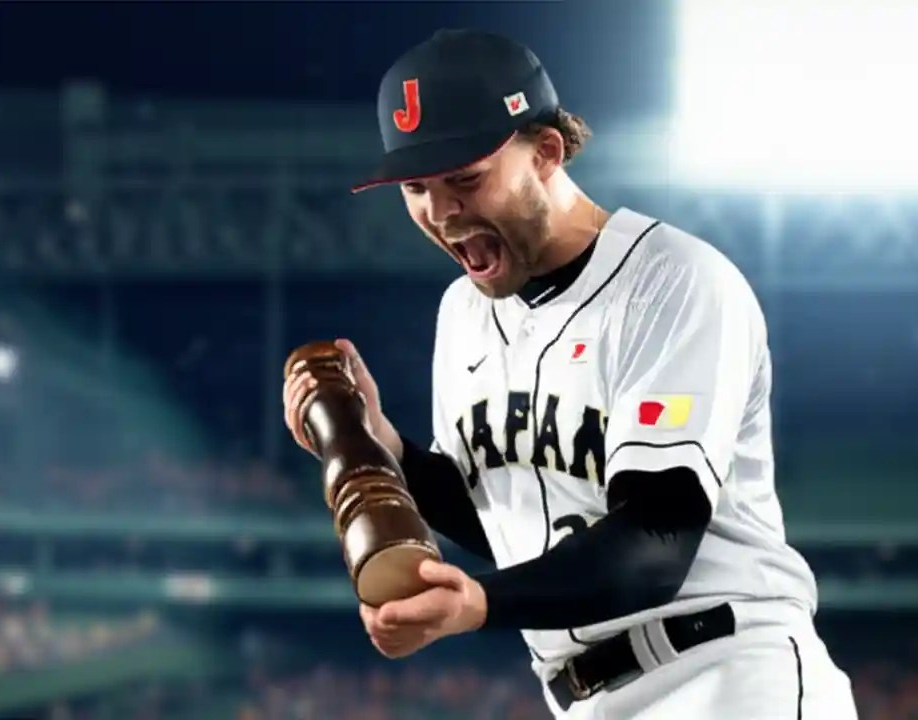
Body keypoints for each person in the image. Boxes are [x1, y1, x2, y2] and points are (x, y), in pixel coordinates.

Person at [284, 28, 858, 720]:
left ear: (547, 152)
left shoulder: (673, 281)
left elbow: (655, 541)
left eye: (465, 178)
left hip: (726, 674)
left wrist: (482, 601)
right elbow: (501, 511)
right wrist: (391, 449)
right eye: (415, 187)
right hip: (581, 700)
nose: (439, 212)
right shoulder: (462, 314)